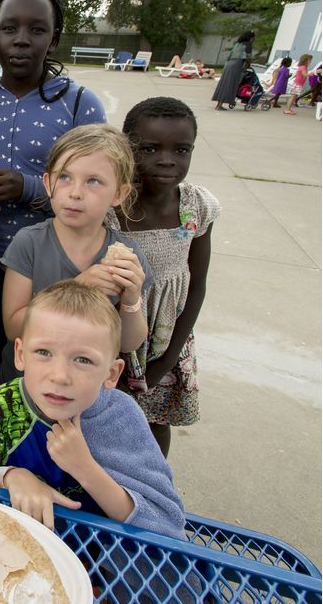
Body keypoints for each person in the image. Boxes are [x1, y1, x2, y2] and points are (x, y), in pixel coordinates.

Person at [0, 0, 106, 386]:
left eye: (36, 30)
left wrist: (30, 187)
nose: (21, 39)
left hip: (52, 265)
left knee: (42, 366)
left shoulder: (79, 105)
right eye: (10, 28)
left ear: (53, 39)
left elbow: (97, 188)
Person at [0, 279, 186, 539]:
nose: (59, 376)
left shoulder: (122, 418)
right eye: (43, 352)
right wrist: (10, 476)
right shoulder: (3, 406)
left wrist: (84, 467)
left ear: (112, 373)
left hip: (97, 556)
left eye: (83, 360)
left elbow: (167, 526)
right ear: (20, 354)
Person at [0, 123, 152, 382]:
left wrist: (131, 298)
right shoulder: (30, 243)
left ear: (119, 193)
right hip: (26, 384)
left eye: (93, 181)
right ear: (48, 183)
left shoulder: (128, 256)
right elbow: (13, 329)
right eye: (65, 177)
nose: (75, 193)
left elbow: (128, 343)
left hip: (87, 388)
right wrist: (78, 287)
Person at [111, 98, 219, 456]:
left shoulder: (195, 206)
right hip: (114, 332)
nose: (167, 160)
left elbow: (198, 285)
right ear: (127, 148)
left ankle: (154, 482)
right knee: (107, 418)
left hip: (168, 338)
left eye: (181, 150)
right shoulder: (111, 206)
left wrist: (169, 358)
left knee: (156, 421)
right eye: (150, 148)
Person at [212, 31, 254, 110]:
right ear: (250, 38)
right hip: (237, 65)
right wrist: (249, 66)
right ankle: (219, 105)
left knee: (224, 83)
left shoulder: (237, 44)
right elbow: (248, 57)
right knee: (230, 84)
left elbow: (230, 55)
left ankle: (219, 103)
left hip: (229, 64)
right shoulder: (248, 44)